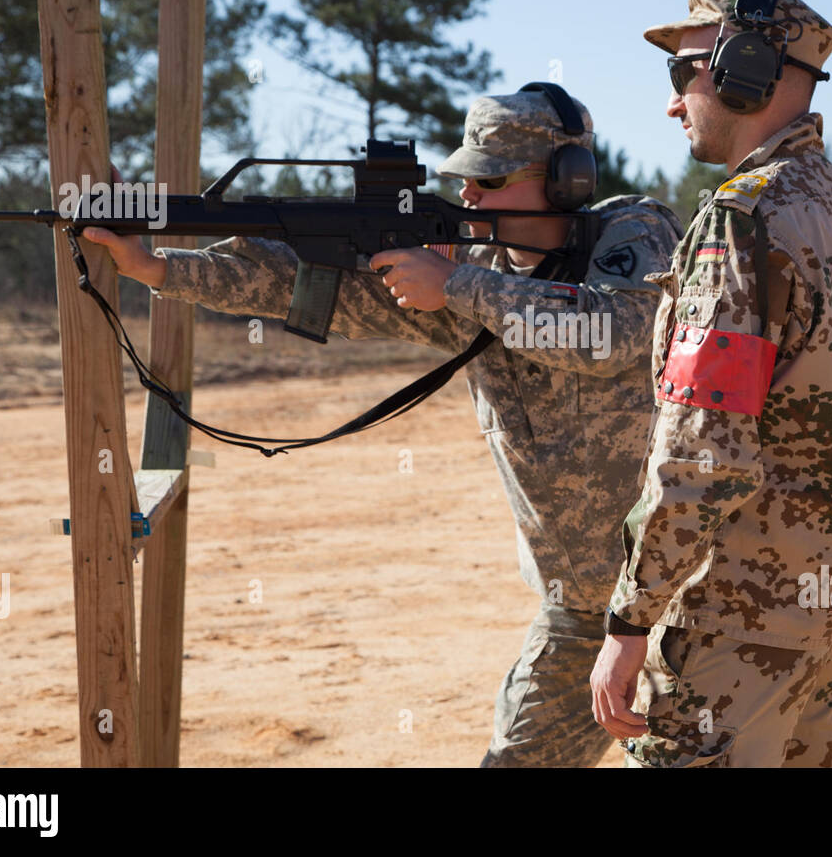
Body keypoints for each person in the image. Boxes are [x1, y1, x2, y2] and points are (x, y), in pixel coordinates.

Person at [83, 86, 684, 766]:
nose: (472, 198)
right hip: (578, 612)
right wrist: (159, 263)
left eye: (490, 180)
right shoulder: (470, 270)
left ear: (568, 180)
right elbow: (301, 288)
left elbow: (613, 332)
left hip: (679, 600)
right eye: (464, 181)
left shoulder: (631, 233)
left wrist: (454, 287)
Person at [588, 0, 832, 767]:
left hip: (741, 616)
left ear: (742, 71)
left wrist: (630, 622)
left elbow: (704, 453)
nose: (674, 102)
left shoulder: (744, 221)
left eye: (683, 74)